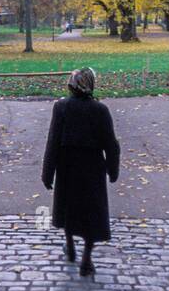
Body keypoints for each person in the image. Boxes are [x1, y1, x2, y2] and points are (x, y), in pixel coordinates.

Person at [41, 67, 120, 276]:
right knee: (90, 213)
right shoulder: (100, 110)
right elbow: (111, 144)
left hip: (67, 166)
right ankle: (87, 257)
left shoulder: (61, 107)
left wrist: (47, 172)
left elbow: (53, 142)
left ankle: (70, 245)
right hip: (92, 167)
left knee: (69, 207)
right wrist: (113, 170)